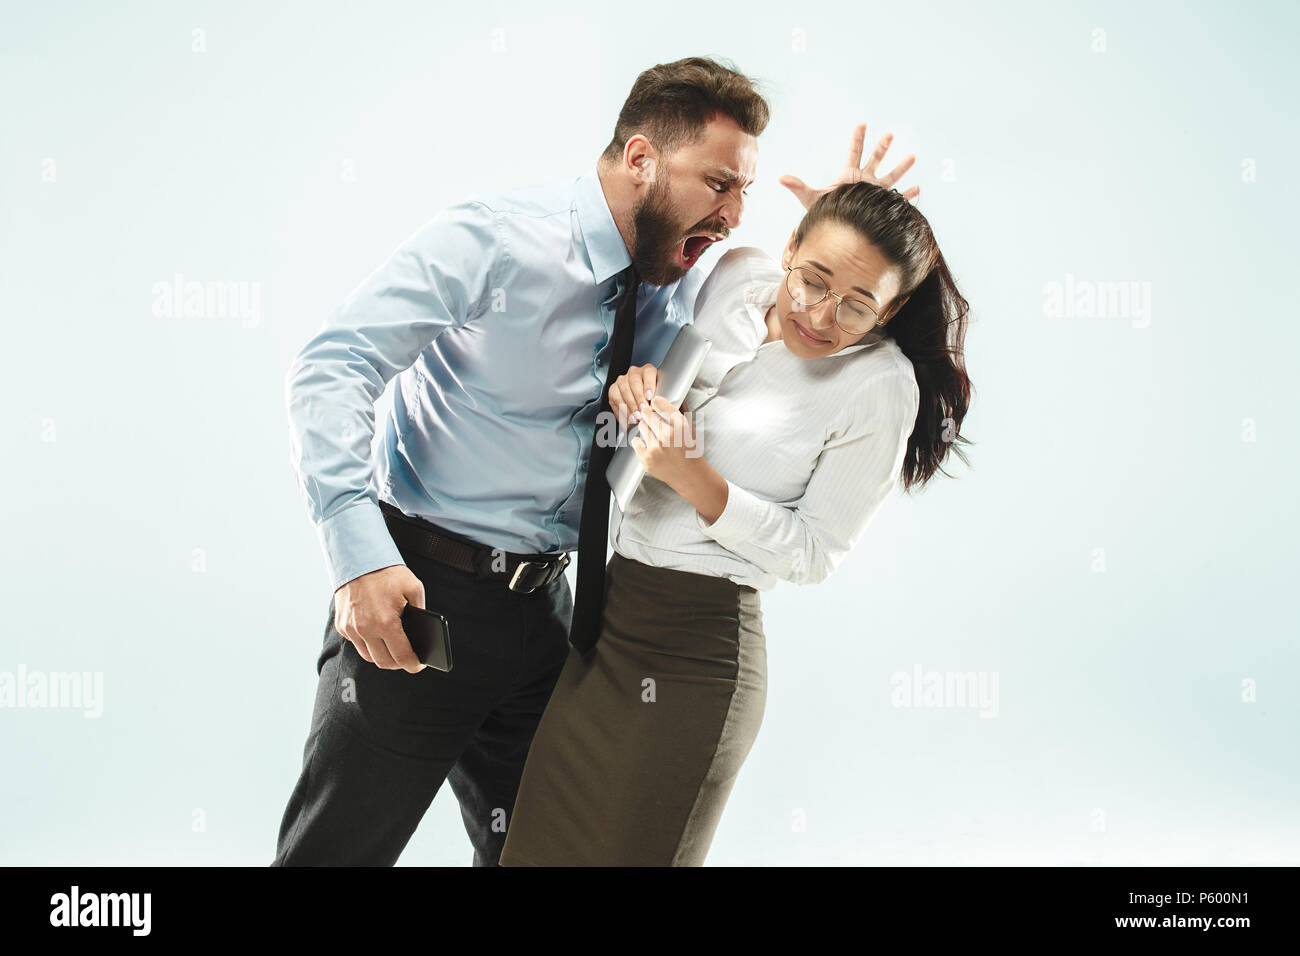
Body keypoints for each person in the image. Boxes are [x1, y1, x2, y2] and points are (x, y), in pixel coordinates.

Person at [270, 54, 916, 866]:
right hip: (419, 601)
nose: (735, 213)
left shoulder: (683, 273)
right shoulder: (493, 241)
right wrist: (354, 554)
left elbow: (783, 305)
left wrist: (843, 231)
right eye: (720, 184)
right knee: (334, 854)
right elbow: (333, 366)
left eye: (745, 193)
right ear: (642, 159)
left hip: (556, 620)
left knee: (539, 854)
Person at [498, 180, 973, 866]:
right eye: (813, 280)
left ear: (892, 309)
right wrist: (642, 390)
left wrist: (697, 479)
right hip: (606, 629)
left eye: (858, 305)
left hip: (699, 660)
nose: (821, 314)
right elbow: (666, 362)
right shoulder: (737, 276)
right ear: (788, 249)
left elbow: (814, 553)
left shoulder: (881, 385)